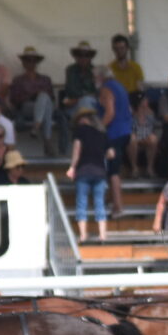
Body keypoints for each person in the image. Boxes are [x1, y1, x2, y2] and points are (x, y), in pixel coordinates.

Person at [66, 102, 109, 242]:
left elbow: (77, 149)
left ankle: (83, 235)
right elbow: (110, 154)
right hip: (100, 171)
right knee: (99, 203)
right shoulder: (101, 133)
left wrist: (72, 167)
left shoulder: (80, 131)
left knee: (81, 203)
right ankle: (103, 234)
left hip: (84, 170)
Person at [98, 62, 133, 217]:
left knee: (113, 170)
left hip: (114, 133)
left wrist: (97, 128)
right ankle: (112, 199)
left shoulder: (106, 89)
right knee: (115, 168)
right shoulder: (119, 86)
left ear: (100, 76)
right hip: (126, 131)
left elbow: (110, 113)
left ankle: (118, 206)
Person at [8, 47, 56, 151]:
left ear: (36, 62)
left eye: (33, 60)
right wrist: (33, 95)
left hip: (45, 108)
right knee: (44, 99)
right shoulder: (18, 80)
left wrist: (41, 96)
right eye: (28, 60)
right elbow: (14, 100)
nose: (30, 63)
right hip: (27, 108)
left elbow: (51, 97)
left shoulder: (45, 79)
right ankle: (46, 139)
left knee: (44, 100)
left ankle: (37, 127)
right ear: (23, 63)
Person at [60, 41, 100, 118]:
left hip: (90, 104)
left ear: (90, 57)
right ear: (76, 57)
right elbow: (71, 90)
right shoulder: (70, 70)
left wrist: (79, 99)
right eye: (80, 55)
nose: (83, 58)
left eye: (86, 55)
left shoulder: (96, 72)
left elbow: (97, 93)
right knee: (86, 101)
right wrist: (85, 96)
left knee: (87, 101)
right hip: (74, 107)